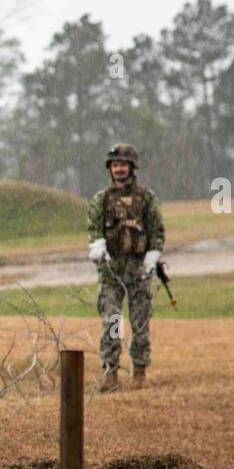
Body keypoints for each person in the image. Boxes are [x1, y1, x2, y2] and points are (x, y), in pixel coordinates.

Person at [87, 143, 165, 392]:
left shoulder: (146, 198)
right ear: (110, 168)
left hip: (139, 270)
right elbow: (93, 228)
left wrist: (153, 257)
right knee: (112, 321)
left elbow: (156, 230)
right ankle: (110, 372)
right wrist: (97, 247)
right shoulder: (101, 199)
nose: (119, 169)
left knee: (140, 323)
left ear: (132, 167)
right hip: (111, 273)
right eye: (115, 165)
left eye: (123, 165)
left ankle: (139, 372)